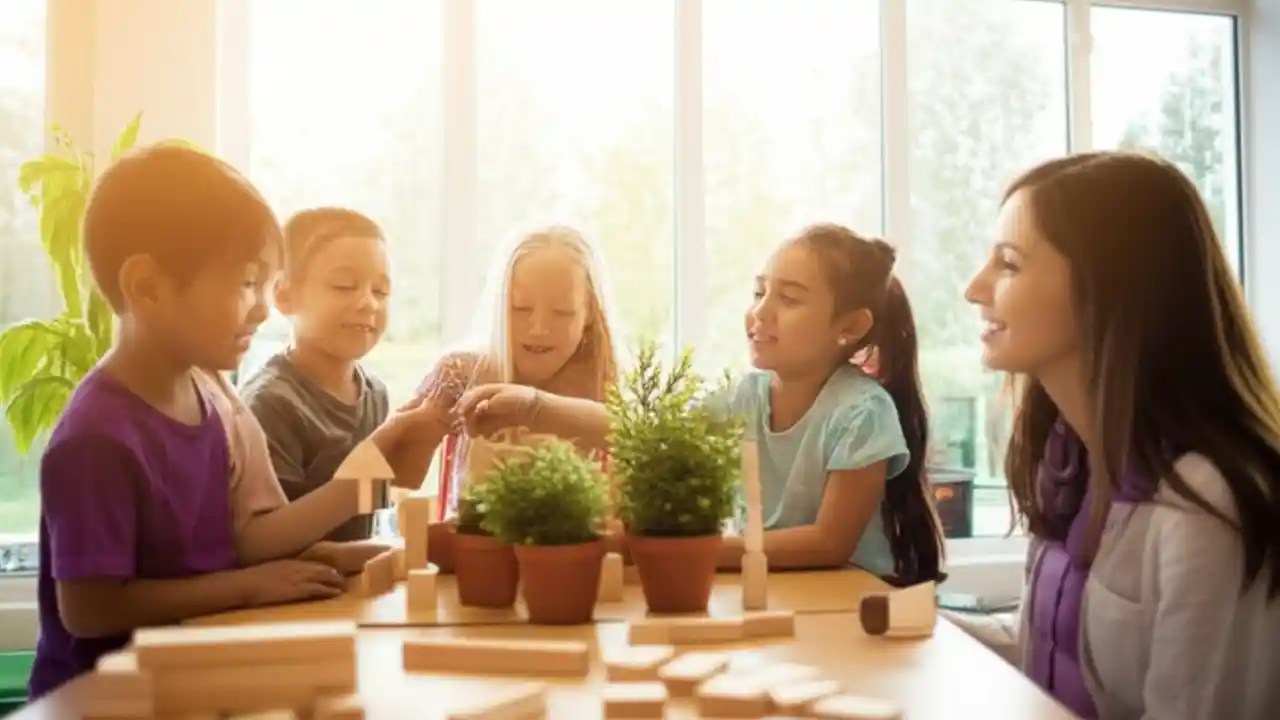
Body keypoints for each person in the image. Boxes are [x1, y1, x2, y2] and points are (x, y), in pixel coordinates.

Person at [28, 146, 368, 699]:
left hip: (185, 679)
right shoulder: (95, 439)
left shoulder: (205, 397)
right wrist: (250, 586)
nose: (263, 308)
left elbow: (200, 555)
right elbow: (90, 609)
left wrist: (306, 558)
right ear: (147, 287)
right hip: (101, 701)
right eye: (247, 283)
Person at [964, 151, 1280, 718]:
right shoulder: (1070, 458)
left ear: (1106, 286)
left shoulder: (1208, 502)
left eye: (1008, 264)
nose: (973, 288)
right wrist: (888, 617)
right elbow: (1050, 642)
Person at [455, 223, 946, 583]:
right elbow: (646, 432)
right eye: (759, 292)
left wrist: (687, 552)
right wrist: (535, 406)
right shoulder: (744, 400)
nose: (760, 312)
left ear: (850, 327)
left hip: (850, 606)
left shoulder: (862, 412)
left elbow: (828, 543)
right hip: (778, 591)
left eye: (789, 299)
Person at [392, 225, 621, 517]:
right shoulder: (461, 372)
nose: (539, 329)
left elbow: (639, 437)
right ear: (498, 305)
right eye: (520, 307)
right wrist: (407, 430)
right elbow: (396, 486)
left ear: (589, 313)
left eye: (562, 312)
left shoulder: (608, 381)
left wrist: (535, 408)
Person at [240, 207, 434, 541]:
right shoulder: (271, 403)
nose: (368, 303)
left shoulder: (375, 392)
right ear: (284, 297)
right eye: (345, 286)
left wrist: (426, 435)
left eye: (381, 291)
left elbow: (378, 496)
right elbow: (264, 538)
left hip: (352, 586)